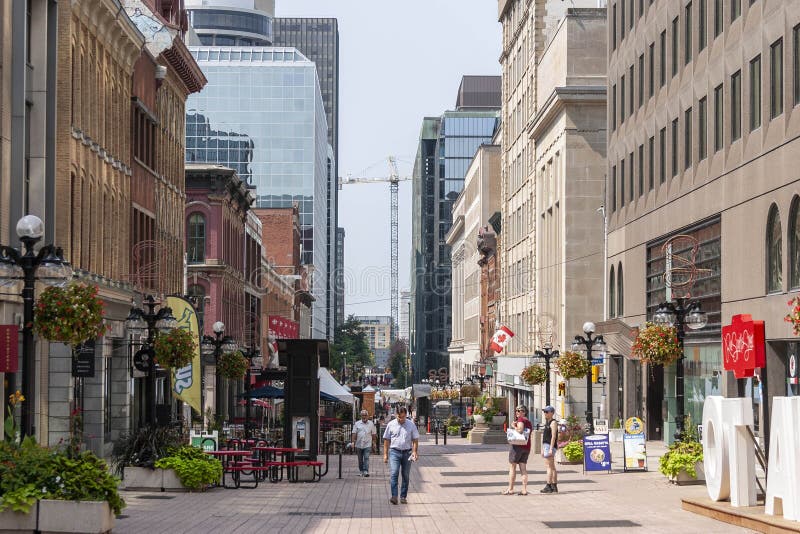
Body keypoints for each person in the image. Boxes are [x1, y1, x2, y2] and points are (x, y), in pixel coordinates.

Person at [382, 405, 419, 504]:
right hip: (394, 452)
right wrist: (385, 454)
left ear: (406, 415)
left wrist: (415, 451)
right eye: (399, 417)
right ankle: (394, 496)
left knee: (405, 475)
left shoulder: (411, 425)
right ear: (396, 415)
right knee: (394, 473)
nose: (401, 419)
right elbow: (386, 440)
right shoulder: (391, 424)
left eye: (402, 417)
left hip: (407, 453)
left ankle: (403, 496)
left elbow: (415, 439)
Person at [502, 405, 533, 495]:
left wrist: (513, 426)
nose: (517, 412)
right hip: (526, 446)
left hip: (517, 446)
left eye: (520, 411)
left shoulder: (520, 420)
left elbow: (520, 430)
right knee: (523, 468)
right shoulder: (529, 422)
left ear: (524, 412)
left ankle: (510, 489)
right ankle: (524, 490)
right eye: (516, 410)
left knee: (513, 467)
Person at [351, 410, 377, 477]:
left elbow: (374, 434)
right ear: (361, 416)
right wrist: (353, 442)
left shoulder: (371, 424)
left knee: (366, 457)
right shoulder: (357, 424)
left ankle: (366, 471)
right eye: (363, 415)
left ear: (367, 416)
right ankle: (361, 470)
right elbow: (354, 433)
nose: (364, 416)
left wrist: (374, 443)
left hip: (367, 444)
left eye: (365, 415)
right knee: (360, 459)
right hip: (359, 444)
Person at [541, 405, 559, 493]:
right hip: (546, 445)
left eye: (547, 412)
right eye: (544, 412)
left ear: (551, 413)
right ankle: (554, 485)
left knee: (549, 467)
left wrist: (551, 449)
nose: (545, 413)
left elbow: (553, 436)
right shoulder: (547, 422)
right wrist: (543, 448)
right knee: (552, 467)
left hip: (550, 446)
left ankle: (549, 485)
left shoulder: (553, 422)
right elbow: (545, 436)